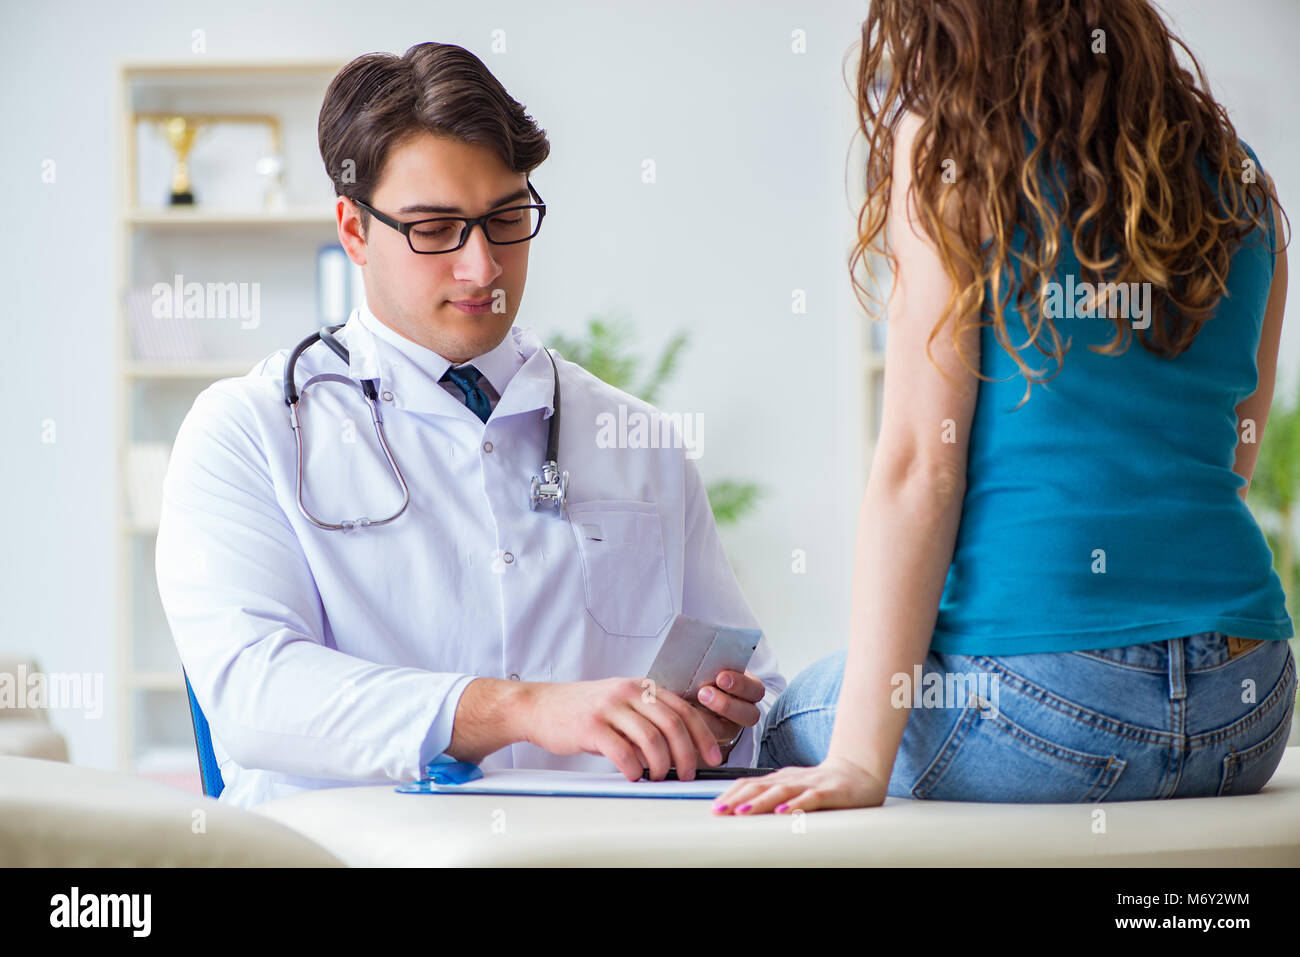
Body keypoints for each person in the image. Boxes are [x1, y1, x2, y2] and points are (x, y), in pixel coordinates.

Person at [155, 41, 785, 808]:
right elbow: (254, 694)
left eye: (506, 218)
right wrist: (523, 708)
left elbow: (756, 689)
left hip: (605, 852)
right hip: (349, 855)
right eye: (435, 228)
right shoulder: (249, 433)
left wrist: (720, 720)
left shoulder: (639, 442)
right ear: (353, 229)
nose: (482, 267)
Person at [714, 0, 1294, 816]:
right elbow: (1234, 455)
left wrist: (855, 760)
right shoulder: (1246, 183)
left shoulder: (952, 159)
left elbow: (922, 466)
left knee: (788, 721)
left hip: (1051, 713)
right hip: (1249, 705)